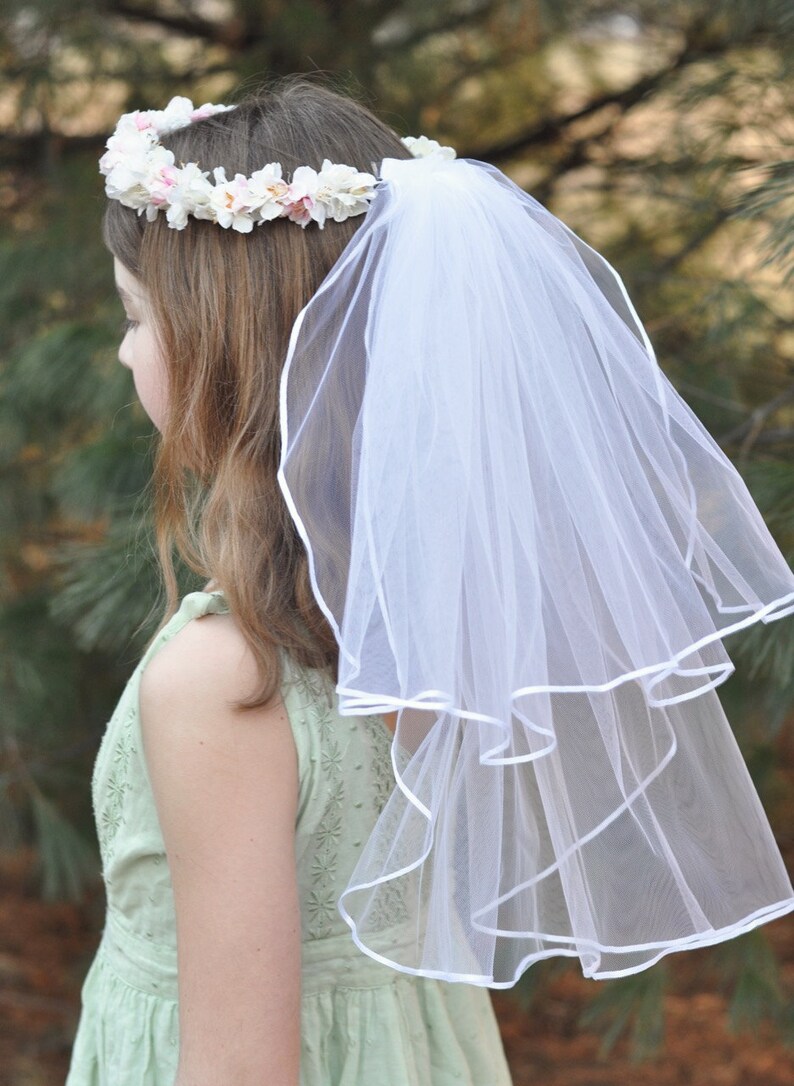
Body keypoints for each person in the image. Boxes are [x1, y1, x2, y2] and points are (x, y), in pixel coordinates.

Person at [68, 77, 794, 1085]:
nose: (122, 349)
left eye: (137, 316)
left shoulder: (220, 682)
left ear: (225, 346)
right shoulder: (427, 614)